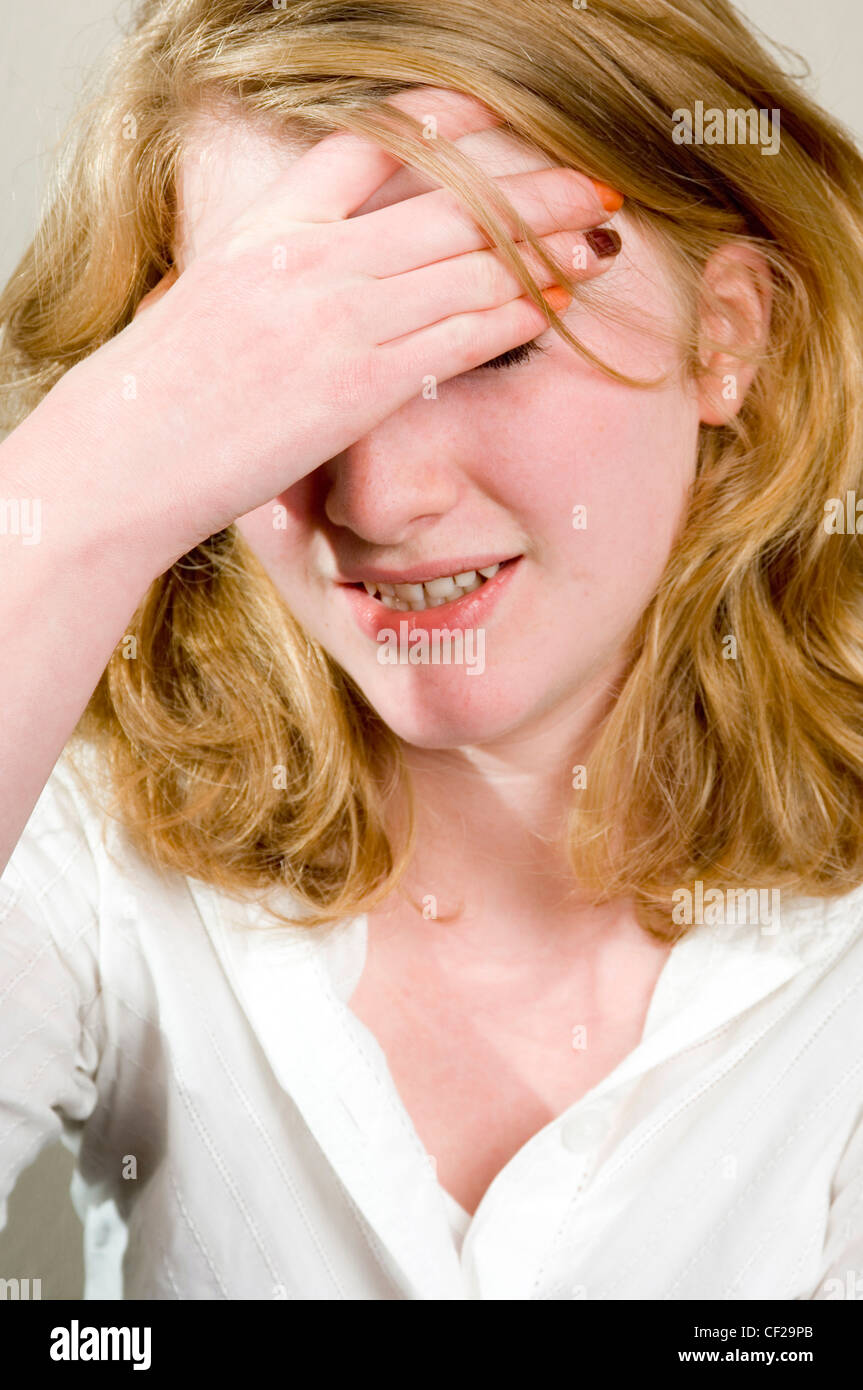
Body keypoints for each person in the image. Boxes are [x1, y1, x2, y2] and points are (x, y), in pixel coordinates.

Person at [1, 0, 862, 1300]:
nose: (376, 496)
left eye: (494, 337)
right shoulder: (74, 826)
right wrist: (59, 514)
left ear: (726, 334)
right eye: (267, 370)